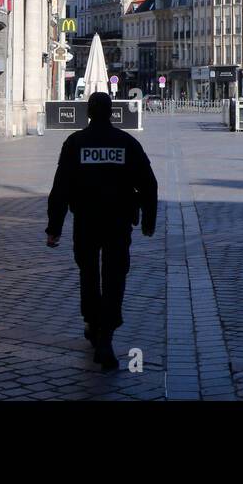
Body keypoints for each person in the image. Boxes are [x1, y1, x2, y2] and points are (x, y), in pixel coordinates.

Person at [46, 91, 158, 370]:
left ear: (88, 112)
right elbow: (148, 183)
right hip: (118, 223)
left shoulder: (75, 142)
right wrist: (149, 220)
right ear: (111, 113)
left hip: (86, 221)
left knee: (88, 274)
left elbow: (61, 187)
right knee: (114, 277)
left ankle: (93, 323)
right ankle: (106, 334)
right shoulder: (126, 142)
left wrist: (54, 227)